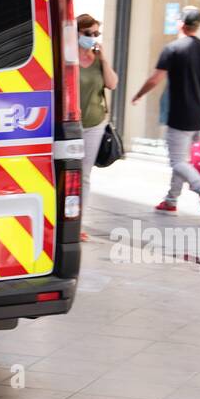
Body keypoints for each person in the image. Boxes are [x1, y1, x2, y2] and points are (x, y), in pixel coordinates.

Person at [130, 6, 200, 223]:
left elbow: (155, 79)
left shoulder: (173, 49)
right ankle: (171, 200)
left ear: (181, 24)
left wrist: (138, 94)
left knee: (177, 161)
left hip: (180, 115)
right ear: (198, 26)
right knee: (184, 159)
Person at [77, 13, 117, 242]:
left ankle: (78, 224)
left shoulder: (98, 59)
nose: (92, 38)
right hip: (69, 125)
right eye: (87, 33)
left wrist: (104, 60)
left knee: (83, 175)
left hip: (94, 124)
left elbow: (111, 83)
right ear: (76, 32)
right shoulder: (67, 57)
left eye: (95, 34)